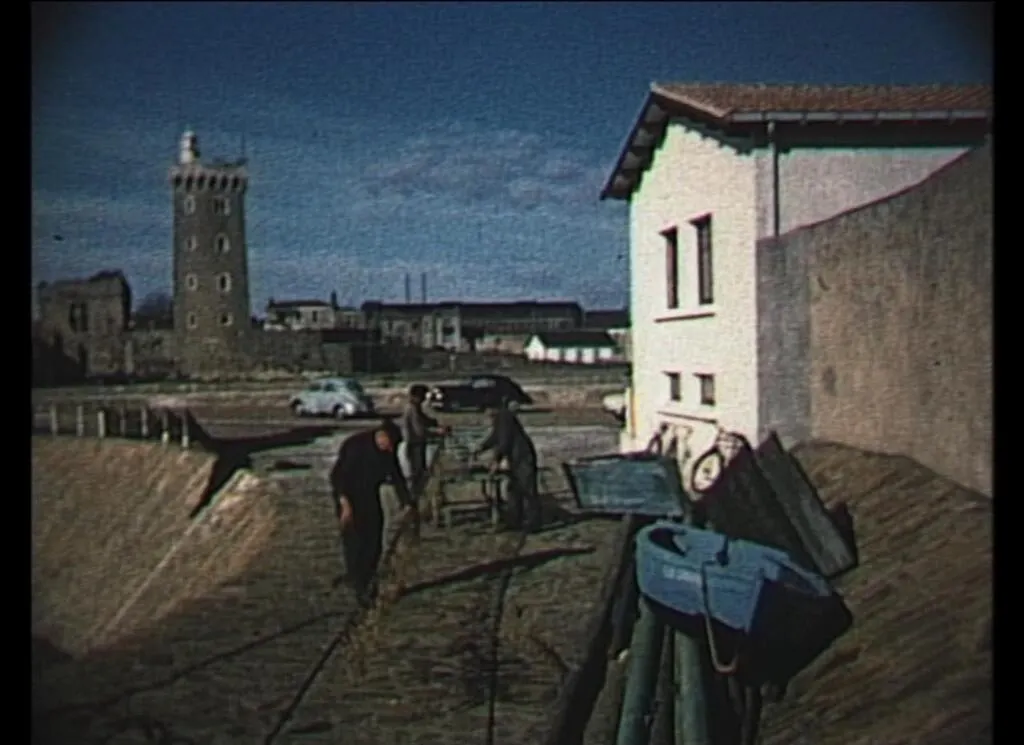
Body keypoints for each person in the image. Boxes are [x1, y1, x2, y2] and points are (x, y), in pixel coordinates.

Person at [328, 418, 415, 605]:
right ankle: (360, 587)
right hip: (349, 499)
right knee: (356, 543)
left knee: (374, 540)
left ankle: (370, 579)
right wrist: (345, 505)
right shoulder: (355, 446)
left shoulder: (388, 450)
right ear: (381, 437)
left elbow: (396, 475)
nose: (391, 451)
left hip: (369, 496)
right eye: (390, 446)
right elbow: (338, 477)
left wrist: (406, 502)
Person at [472, 401, 541, 533]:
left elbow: (504, 442)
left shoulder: (504, 417)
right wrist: (481, 447)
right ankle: (515, 520)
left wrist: (496, 461)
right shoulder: (500, 419)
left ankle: (534, 523)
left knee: (527, 490)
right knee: (513, 489)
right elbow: (495, 437)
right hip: (515, 457)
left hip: (522, 456)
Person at [401, 384, 450, 503]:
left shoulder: (416, 408)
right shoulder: (412, 409)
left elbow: (425, 420)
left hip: (418, 445)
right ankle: (413, 503)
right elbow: (420, 430)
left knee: (421, 473)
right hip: (414, 445)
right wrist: (437, 432)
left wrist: (435, 423)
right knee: (417, 475)